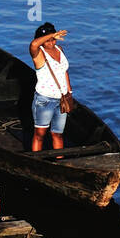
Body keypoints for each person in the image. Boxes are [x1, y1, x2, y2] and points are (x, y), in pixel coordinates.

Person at [29, 22, 73, 152]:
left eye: (53, 39)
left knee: (58, 134)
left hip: (61, 100)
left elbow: (64, 71)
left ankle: (60, 161)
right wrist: (52, 34)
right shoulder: (38, 54)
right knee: (39, 135)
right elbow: (33, 44)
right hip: (44, 100)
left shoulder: (59, 49)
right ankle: (35, 162)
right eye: (47, 40)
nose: (51, 42)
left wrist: (69, 91)